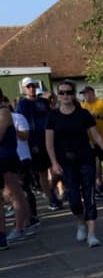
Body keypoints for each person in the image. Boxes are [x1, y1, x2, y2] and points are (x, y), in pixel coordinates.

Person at [46, 80, 103, 247]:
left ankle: (92, 233)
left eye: (69, 92)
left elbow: (96, 136)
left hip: (85, 159)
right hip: (65, 162)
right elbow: (49, 142)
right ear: (58, 95)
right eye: (62, 93)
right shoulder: (53, 117)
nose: (65, 96)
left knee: (89, 194)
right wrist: (54, 163)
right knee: (74, 199)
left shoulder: (83, 114)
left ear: (73, 94)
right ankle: (80, 222)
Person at [15, 76, 57, 208]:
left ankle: (51, 190)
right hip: (36, 142)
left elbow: (50, 118)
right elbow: (22, 124)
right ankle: (52, 199)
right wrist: (31, 144)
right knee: (42, 172)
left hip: (49, 138)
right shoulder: (22, 105)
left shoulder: (43, 102)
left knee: (57, 169)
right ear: (23, 89)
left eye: (33, 85)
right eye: (28, 86)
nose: (31, 88)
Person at [0, 93, 32, 246]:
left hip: (6, 157)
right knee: (8, 194)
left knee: (14, 193)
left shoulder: (3, 112)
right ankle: (24, 223)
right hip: (4, 157)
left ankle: (21, 226)